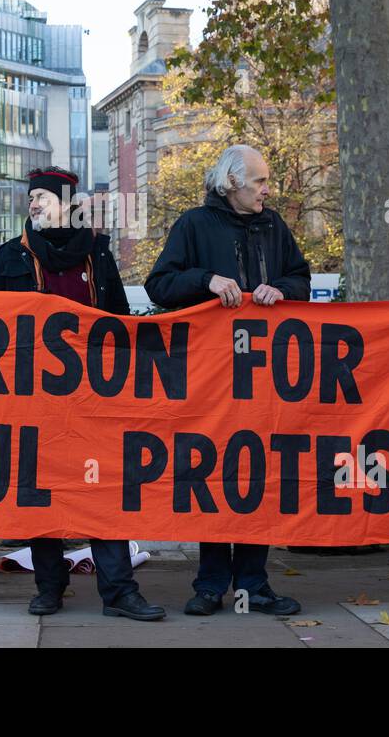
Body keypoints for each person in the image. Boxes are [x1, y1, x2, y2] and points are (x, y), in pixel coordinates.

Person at [0, 166, 165, 621]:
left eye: (42, 197)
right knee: (41, 491)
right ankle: (49, 588)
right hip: (34, 399)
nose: (34, 204)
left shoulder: (98, 254)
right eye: (31, 199)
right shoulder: (11, 257)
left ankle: (120, 592)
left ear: (67, 203)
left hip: (94, 397)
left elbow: (120, 320)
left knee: (104, 492)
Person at [144, 144, 310, 617]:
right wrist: (207, 281)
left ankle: (254, 583)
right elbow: (161, 284)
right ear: (231, 182)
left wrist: (283, 290)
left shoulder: (274, 225)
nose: (267, 189)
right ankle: (211, 583)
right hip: (210, 376)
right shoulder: (193, 225)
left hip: (264, 377)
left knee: (257, 475)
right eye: (259, 181)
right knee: (213, 474)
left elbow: (301, 277)